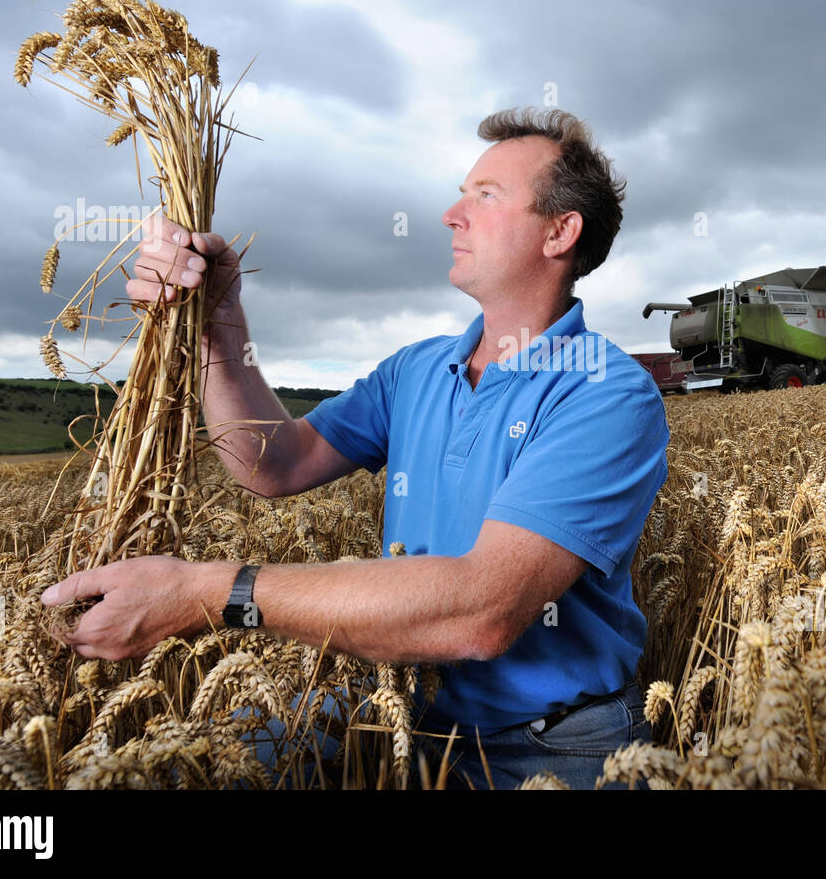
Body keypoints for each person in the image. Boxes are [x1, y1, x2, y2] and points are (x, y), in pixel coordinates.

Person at [42, 107, 669, 789]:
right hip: (402, 713)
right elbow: (271, 462)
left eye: (484, 196)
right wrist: (217, 323)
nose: (450, 215)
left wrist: (209, 593)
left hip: (547, 751)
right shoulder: (418, 370)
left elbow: (481, 613)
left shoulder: (608, 396)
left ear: (559, 231)